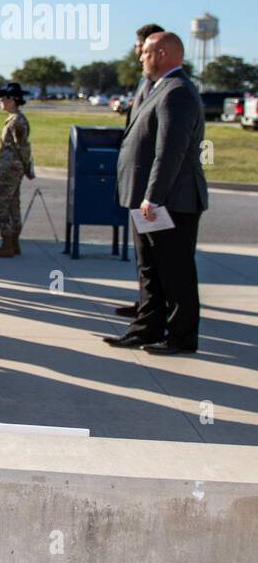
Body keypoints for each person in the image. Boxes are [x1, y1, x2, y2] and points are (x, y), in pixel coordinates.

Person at [105, 31, 207, 355]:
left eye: (145, 52)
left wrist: (153, 197)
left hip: (170, 201)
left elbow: (170, 153)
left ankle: (181, 338)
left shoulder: (177, 93)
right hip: (151, 199)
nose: (140, 57)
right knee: (150, 267)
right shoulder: (159, 88)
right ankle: (146, 329)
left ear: (162, 53)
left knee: (175, 271)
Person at [114, 22, 165, 318]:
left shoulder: (158, 85)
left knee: (153, 253)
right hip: (138, 181)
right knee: (144, 253)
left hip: (148, 184)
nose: (137, 54)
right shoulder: (146, 82)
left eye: (141, 48)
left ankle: (152, 308)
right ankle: (145, 302)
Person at [0, 82, 35, 257]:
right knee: (13, 205)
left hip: (10, 170)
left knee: (2, 205)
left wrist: (28, 168)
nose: (1, 101)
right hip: (12, 168)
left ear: (13, 100)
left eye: (4, 98)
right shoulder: (14, 119)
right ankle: (13, 243)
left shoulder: (17, 121)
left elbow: (23, 147)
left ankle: (7, 243)